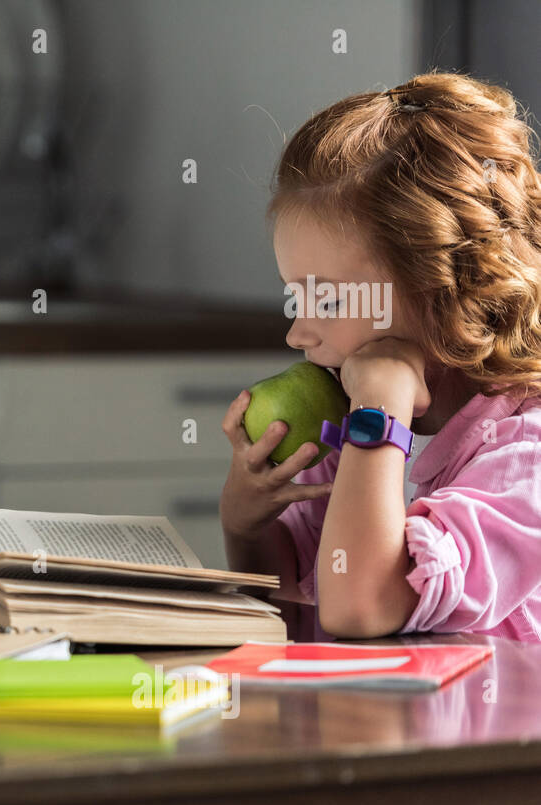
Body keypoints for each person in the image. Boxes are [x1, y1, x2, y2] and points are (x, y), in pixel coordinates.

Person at [221, 72, 541, 641]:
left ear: (444, 289)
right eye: (296, 296)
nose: (298, 334)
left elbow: (360, 605)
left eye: (330, 298)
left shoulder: (525, 461)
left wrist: (381, 414)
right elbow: (285, 585)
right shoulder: (350, 424)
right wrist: (246, 520)